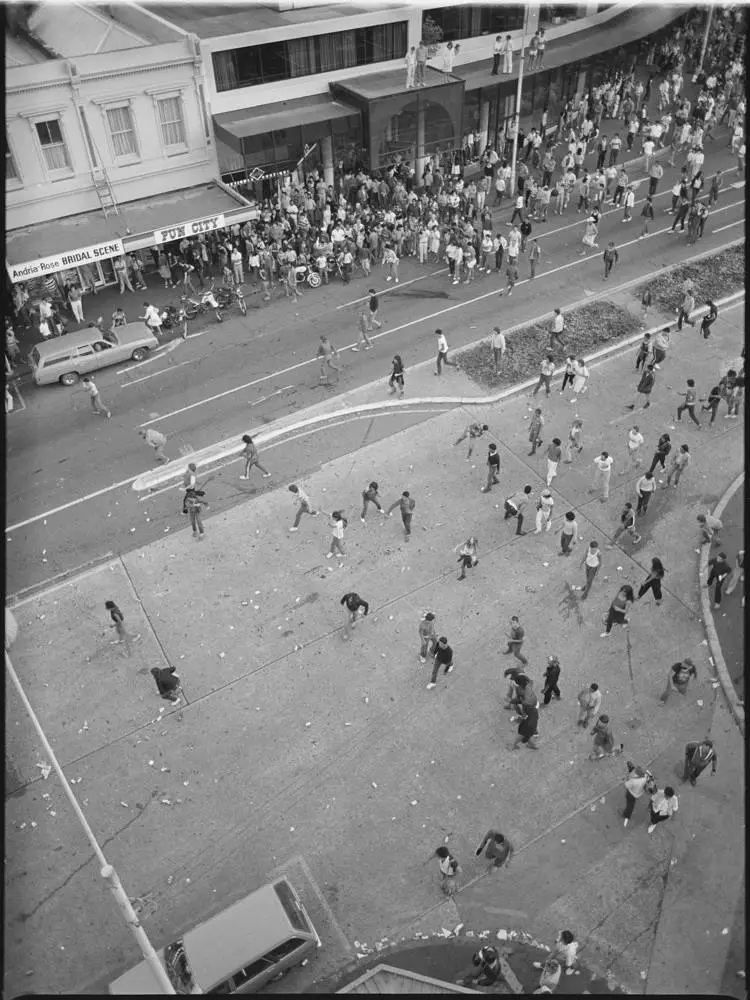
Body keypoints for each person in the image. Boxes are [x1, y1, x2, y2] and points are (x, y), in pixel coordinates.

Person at [621, 761, 656, 828]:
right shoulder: (646, 777)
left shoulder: (634, 781)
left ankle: (626, 815)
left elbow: (626, 785)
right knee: (631, 804)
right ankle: (627, 814)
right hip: (638, 793)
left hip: (631, 794)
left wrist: (625, 779)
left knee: (630, 806)